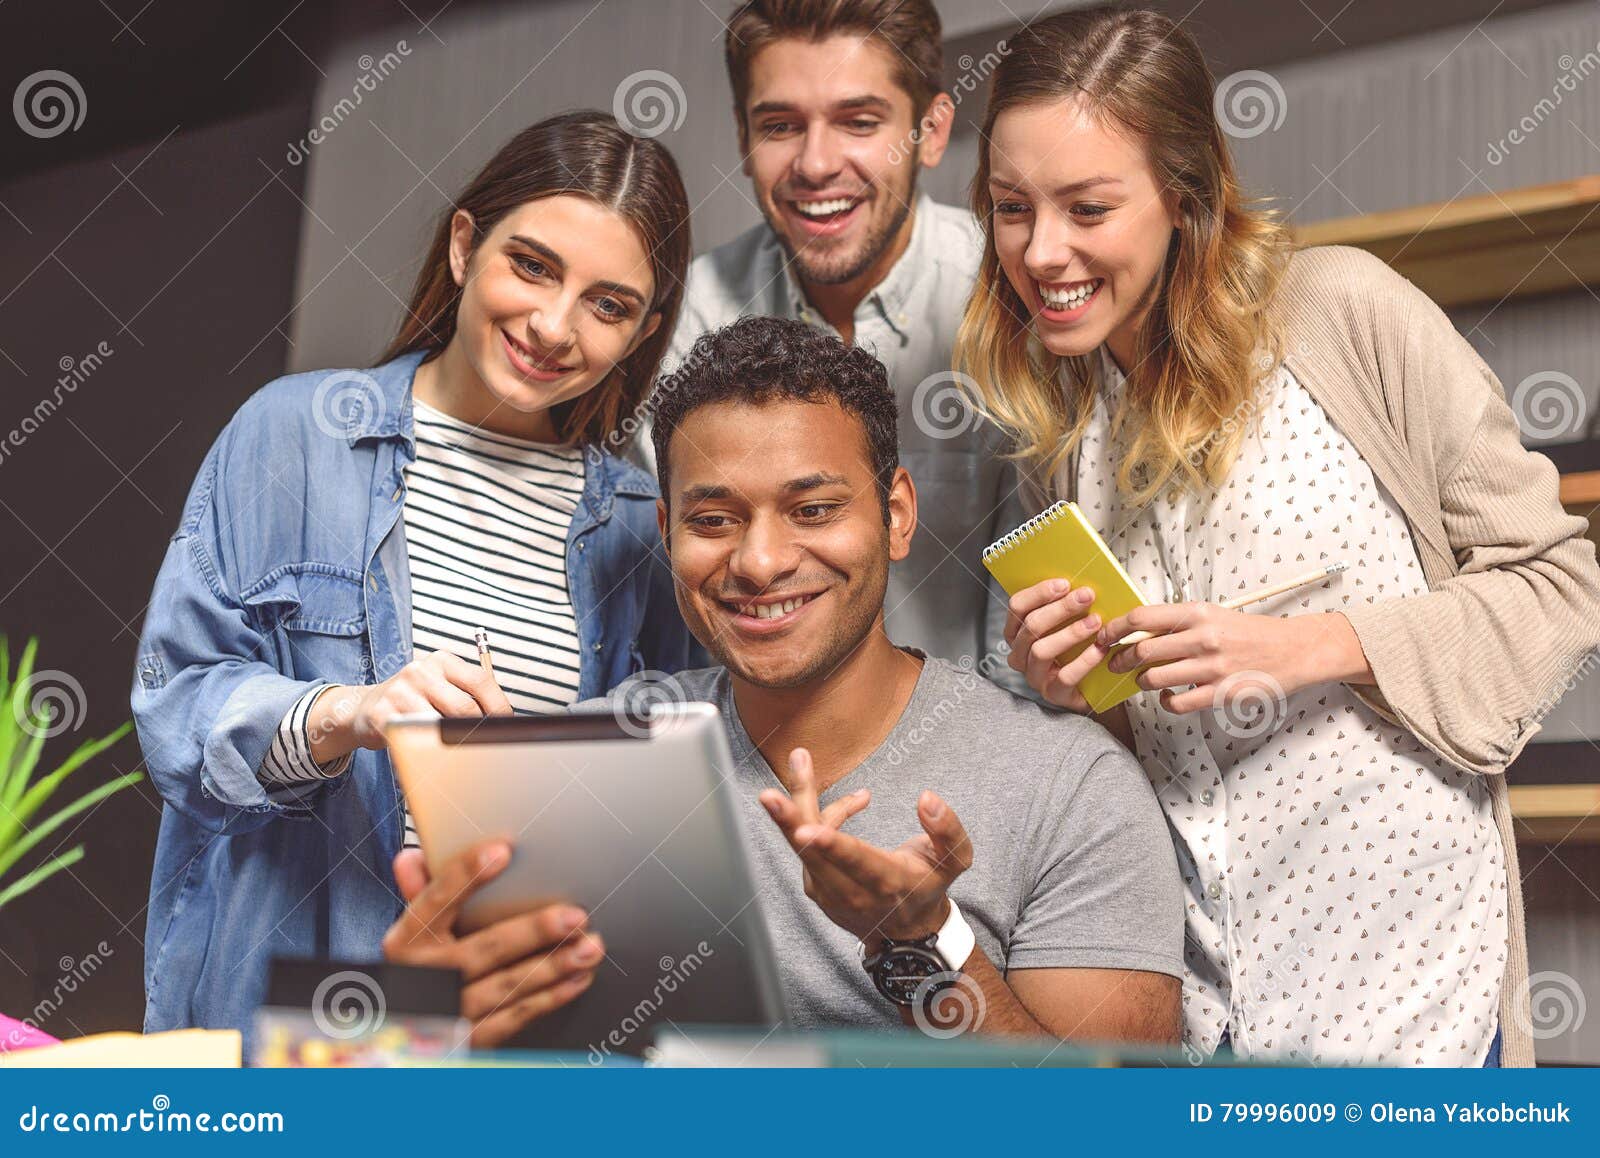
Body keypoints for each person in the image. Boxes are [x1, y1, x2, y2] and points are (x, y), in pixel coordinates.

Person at [953, 7, 1600, 1066]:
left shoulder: (1344, 316)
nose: (1039, 251)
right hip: (1218, 1013)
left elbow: (1558, 582)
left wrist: (1307, 645)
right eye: (1010, 209)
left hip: (1413, 998)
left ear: (1185, 197)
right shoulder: (1067, 435)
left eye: (1087, 207)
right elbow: (1165, 753)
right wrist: (1080, 696)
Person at [388, 316, 1185, 1045]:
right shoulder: (586, 763)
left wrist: (923, 944)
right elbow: (481, 1088)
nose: (760, 563)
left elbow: (1122, 1127)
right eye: (713, 520)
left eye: (812, 510)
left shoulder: (1071, 785)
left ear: (897, 515)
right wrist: (425, 1017)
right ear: (667, 533)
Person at [133, 111, 700, 1043]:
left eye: (609, 305)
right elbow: (177, 712)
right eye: (533, 265)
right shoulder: (295, 436)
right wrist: (349, 715)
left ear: (643, 329)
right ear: (465, 243)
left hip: (518, 1039)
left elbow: (663, 816)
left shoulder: (640, 526)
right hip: (297, 1012)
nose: (554, 328)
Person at [652, 0, 1025, 676]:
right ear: (743, 138)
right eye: (781, 126)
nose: (816, 164)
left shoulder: (1013, 301)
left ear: (932, 131)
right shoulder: (686, 318)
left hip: (971, 750)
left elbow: (1024, 635)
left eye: (858, 122)